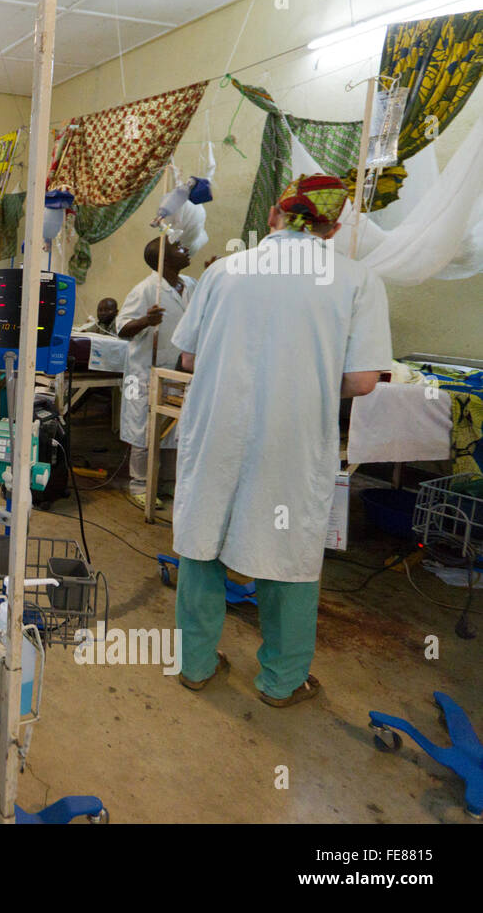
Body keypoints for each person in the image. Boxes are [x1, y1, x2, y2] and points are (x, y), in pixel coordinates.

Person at [169, 174, 390, 707]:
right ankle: (282, 681)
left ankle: (196, 665)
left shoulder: (223, 272)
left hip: (217, 427)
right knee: (287, 550)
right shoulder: (357, 280)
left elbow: (190, 359)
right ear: (332, 227)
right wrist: (305, 375)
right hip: (291, 437)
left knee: (203, 539)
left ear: (274, 215)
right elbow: (363, 381)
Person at [116, 235, 195, 510]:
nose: (185, 249)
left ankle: (168, 484)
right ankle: (139, 485)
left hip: (177, 372)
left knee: (175, 430)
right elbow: (122, 329)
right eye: (178, 247)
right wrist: (145, 321)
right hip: (147, 373)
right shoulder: (146, 290)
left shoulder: (190, 285)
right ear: (163, 259)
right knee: (145, 431)